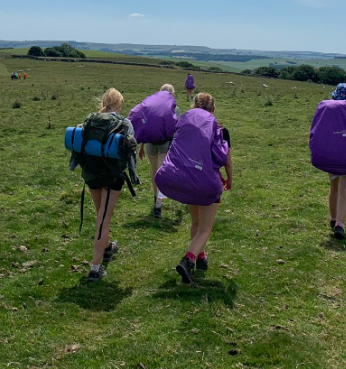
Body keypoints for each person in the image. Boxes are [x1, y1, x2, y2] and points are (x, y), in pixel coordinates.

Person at [154, 93, 231, 284]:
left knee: (195, 221)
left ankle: (201, 257)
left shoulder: (184, 125)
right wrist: (230, 179)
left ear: (193, 106)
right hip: (207, 184)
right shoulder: (219, 130)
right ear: (213, 109)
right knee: (205, 229)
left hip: (185, 179)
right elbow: (226, 160)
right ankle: (189, 259)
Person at [73, 88, 138, 282]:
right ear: (120, 104)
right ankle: (95, 268)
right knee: (104, 218)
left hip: (91, 174)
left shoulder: (89, 119)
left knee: (100, 212)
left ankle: (108, 247)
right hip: (112, 176)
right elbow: (132, 148)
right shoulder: (124, 123)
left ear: (103, 102)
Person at [309, 83, 346, 239]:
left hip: (331, 154)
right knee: (344, 191)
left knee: (334, 188)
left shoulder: (325, 109)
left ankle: (333, 219)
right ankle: (340, 224)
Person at [129, 84, 181, 218]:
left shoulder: (151, 107)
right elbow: (176, 129)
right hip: (165, 142)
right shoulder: (175, 108)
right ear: (172, 94)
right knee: (161, 172)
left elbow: (145, 126)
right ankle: (158, 204)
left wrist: (141, 146)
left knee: (154, 171)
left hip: (150, 143)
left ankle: (156, 196)